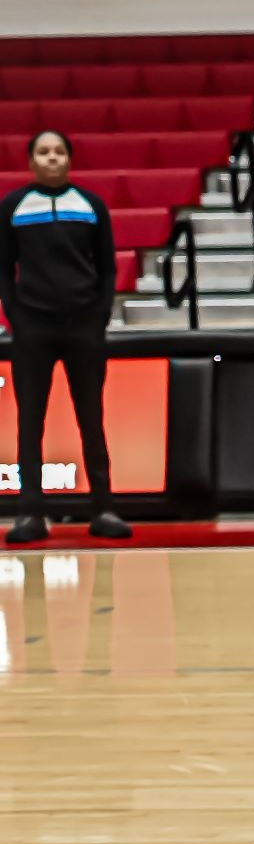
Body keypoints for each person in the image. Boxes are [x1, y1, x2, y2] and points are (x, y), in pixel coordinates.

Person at [0, 130, 130, 543]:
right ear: (31, 161)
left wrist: (99, 315)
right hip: (32, 329)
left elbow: (107, 267)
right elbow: (4, 270)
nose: (52, 158)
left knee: (91, 418)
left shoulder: (90, 206)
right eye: (44, 152)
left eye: (59, 152)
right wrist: (17, 318)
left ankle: (104, 509)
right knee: (29, 422)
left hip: (83, 328)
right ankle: (31, 513)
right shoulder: (13, 208)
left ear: (69, 159)